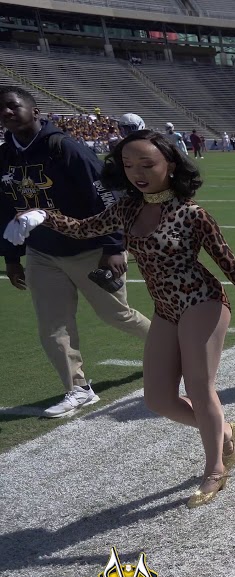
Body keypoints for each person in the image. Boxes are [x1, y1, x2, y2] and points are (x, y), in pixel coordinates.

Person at [4, 130, 235, 507]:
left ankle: (216, 469)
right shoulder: (127, 209)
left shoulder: (193, 214)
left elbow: (230, 265)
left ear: (170, 165)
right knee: (158, 399)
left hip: (203, 302)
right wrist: (41, 215)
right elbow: (84, 229)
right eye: (128, 165)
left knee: (200, 388)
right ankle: (224, 431)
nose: (137, 172)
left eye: (147, 164)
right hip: (165, 309)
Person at [0, 86, 151, 418]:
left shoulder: (65, 148)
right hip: (42, 253)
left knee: (116, 314)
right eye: (1, 109)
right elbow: (5, 209)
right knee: (53, 325)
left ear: (34, 111)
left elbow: (106, 196)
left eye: (13, 105)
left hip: (90, 248)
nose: (6, 112)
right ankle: (78, 389)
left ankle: (169, 345)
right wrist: (11, 257)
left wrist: (114, 246)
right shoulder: (4, 156)